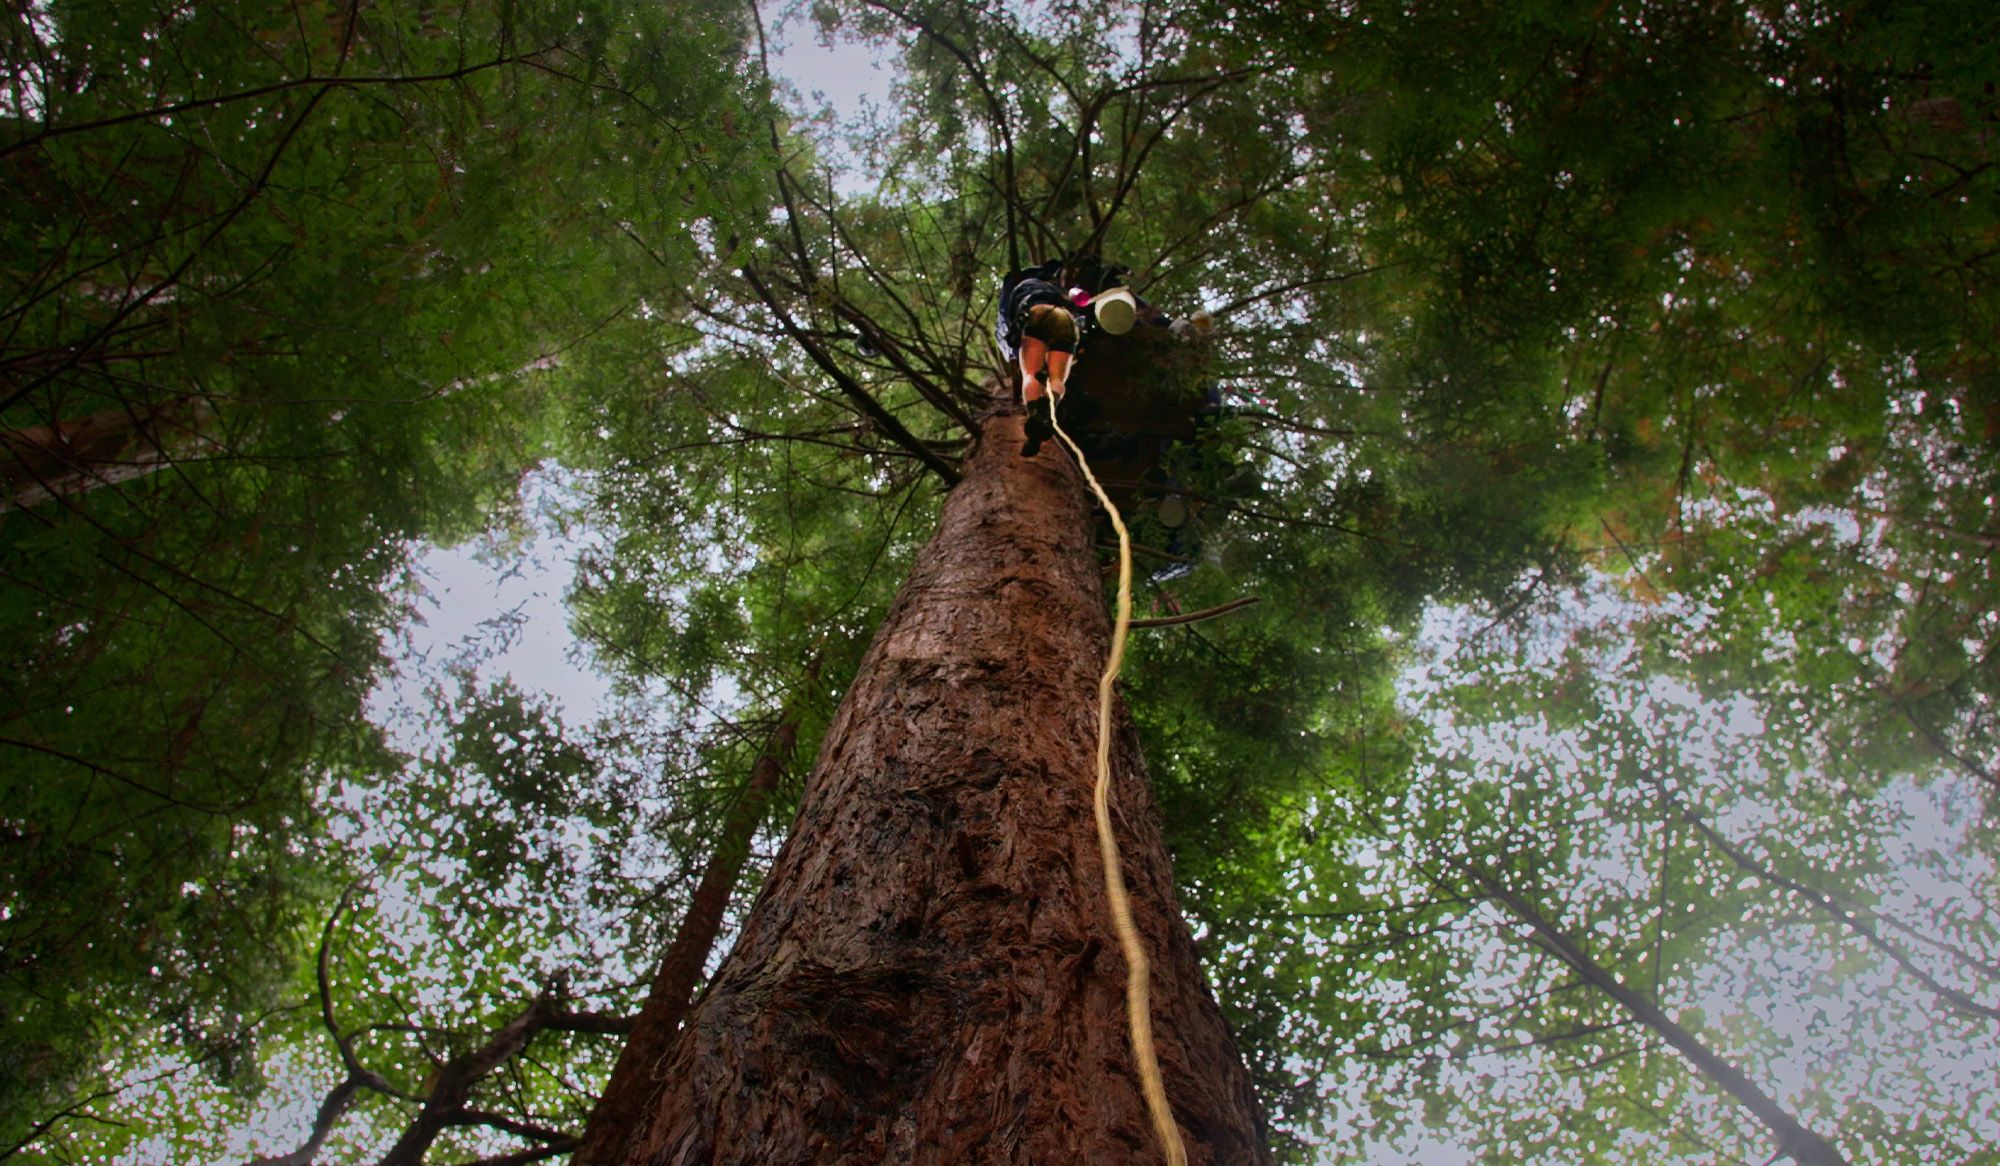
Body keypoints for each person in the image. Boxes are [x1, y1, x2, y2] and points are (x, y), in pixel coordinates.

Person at [998, 261, 1082, 456]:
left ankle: (1036, 414)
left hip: (1035, 314)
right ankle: (1050, 407)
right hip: (1065, 318)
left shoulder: (1019, 287)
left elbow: (1007, 320)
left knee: (1031, 374)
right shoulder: (1056, 289)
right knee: (1057, 379)